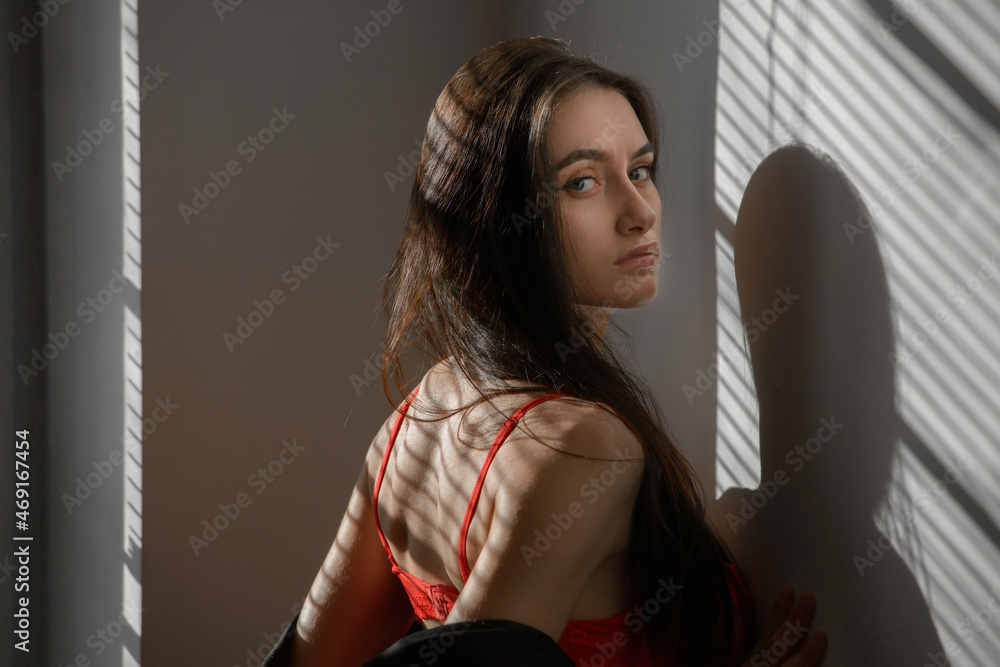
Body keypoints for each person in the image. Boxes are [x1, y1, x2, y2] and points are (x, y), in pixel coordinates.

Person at [281, 37, 828, 666]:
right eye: (583, 182)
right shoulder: (584, 449)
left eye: (641, 170)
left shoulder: (421, 410)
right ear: (496, 218)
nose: (639, 212)